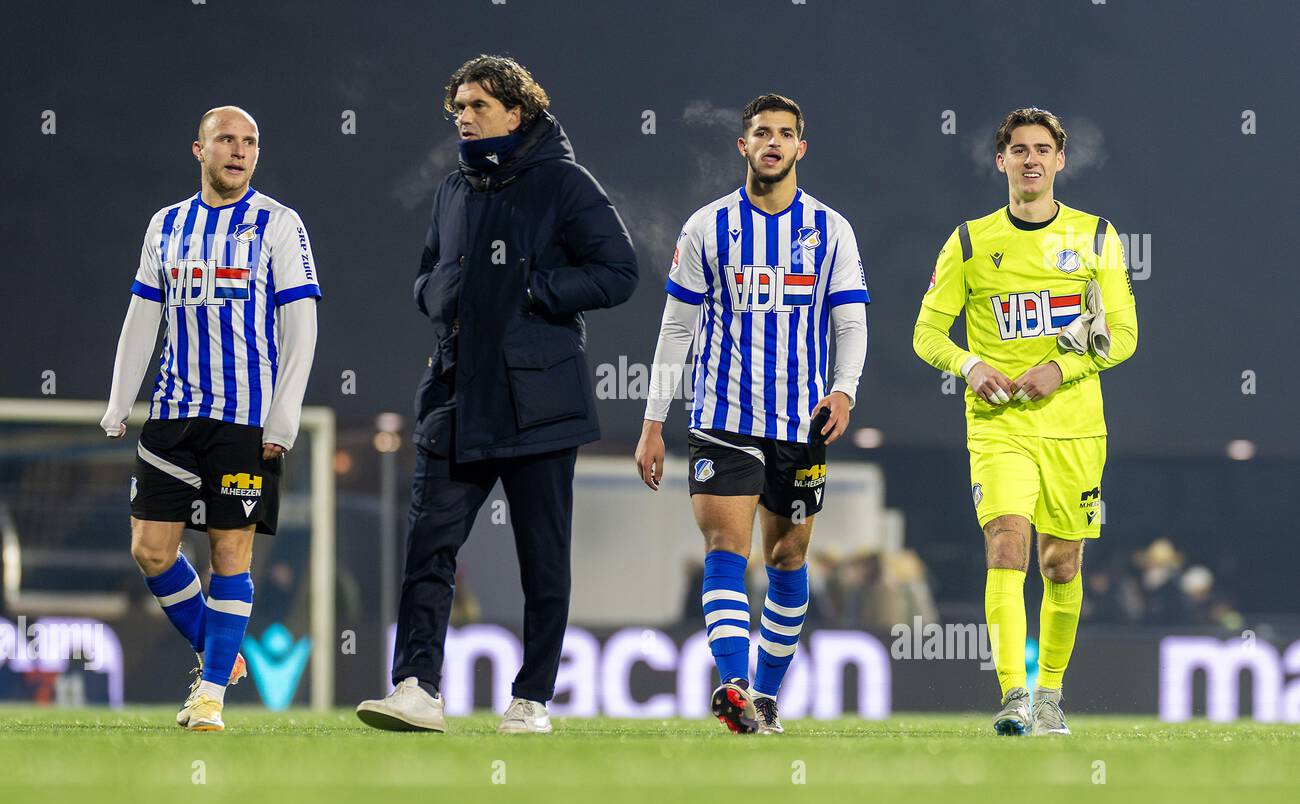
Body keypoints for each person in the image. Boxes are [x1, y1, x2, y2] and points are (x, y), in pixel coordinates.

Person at [356, 55, 637, 735]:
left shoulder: (565, 183)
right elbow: (426, 271)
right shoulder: (453, 187)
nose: (464, 115)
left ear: (517, 112)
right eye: (458, 105)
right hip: (455, 399)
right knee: (428, 547)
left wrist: (537, 290)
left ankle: (532, 699)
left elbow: (619, 271)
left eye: (478, 104)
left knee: (541, 560)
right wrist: (437, 294)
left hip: (539, 406)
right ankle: (417, 687)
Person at [634, 94, 869, 735]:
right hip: (722, 418)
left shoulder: (832, 230)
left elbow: (851, 320)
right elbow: (676, 329)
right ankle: (733, 686)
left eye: (784, 134)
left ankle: (765, 698)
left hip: (802, 423)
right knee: (724, 548)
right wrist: (654, 421)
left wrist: (843, 391)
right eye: (761, 133)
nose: (772, 143)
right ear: (743, 146)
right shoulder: (707, 227)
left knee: (788, 560)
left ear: (801, 148)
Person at [912, 107, 1138, 736]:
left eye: (1043, 149)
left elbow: (1124, 335)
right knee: (1006, 543)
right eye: (1020, 149)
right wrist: (969, 363)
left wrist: (1059, 370)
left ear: (1060, 161)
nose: (1031, 159)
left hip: (1074, 428)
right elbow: (927, 332)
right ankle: (1014, 694)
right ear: (1001, 161)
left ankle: (1049, 697)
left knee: (1061, 564)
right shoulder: (969, 241)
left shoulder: (1096, 237)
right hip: (998, 425)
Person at [101, 106, 321, 731]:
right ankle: (218, 652)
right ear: (199, 149)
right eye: (226, 139)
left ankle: (209, 698)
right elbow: (143, 315)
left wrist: (283, 418)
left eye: (250, 141)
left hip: (245, 422)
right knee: (150, 550)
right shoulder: (166, 225)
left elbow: (300, 325)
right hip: (172, 415)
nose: (239, 150)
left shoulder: (278, 224)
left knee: (230, 556)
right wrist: (121, 401)